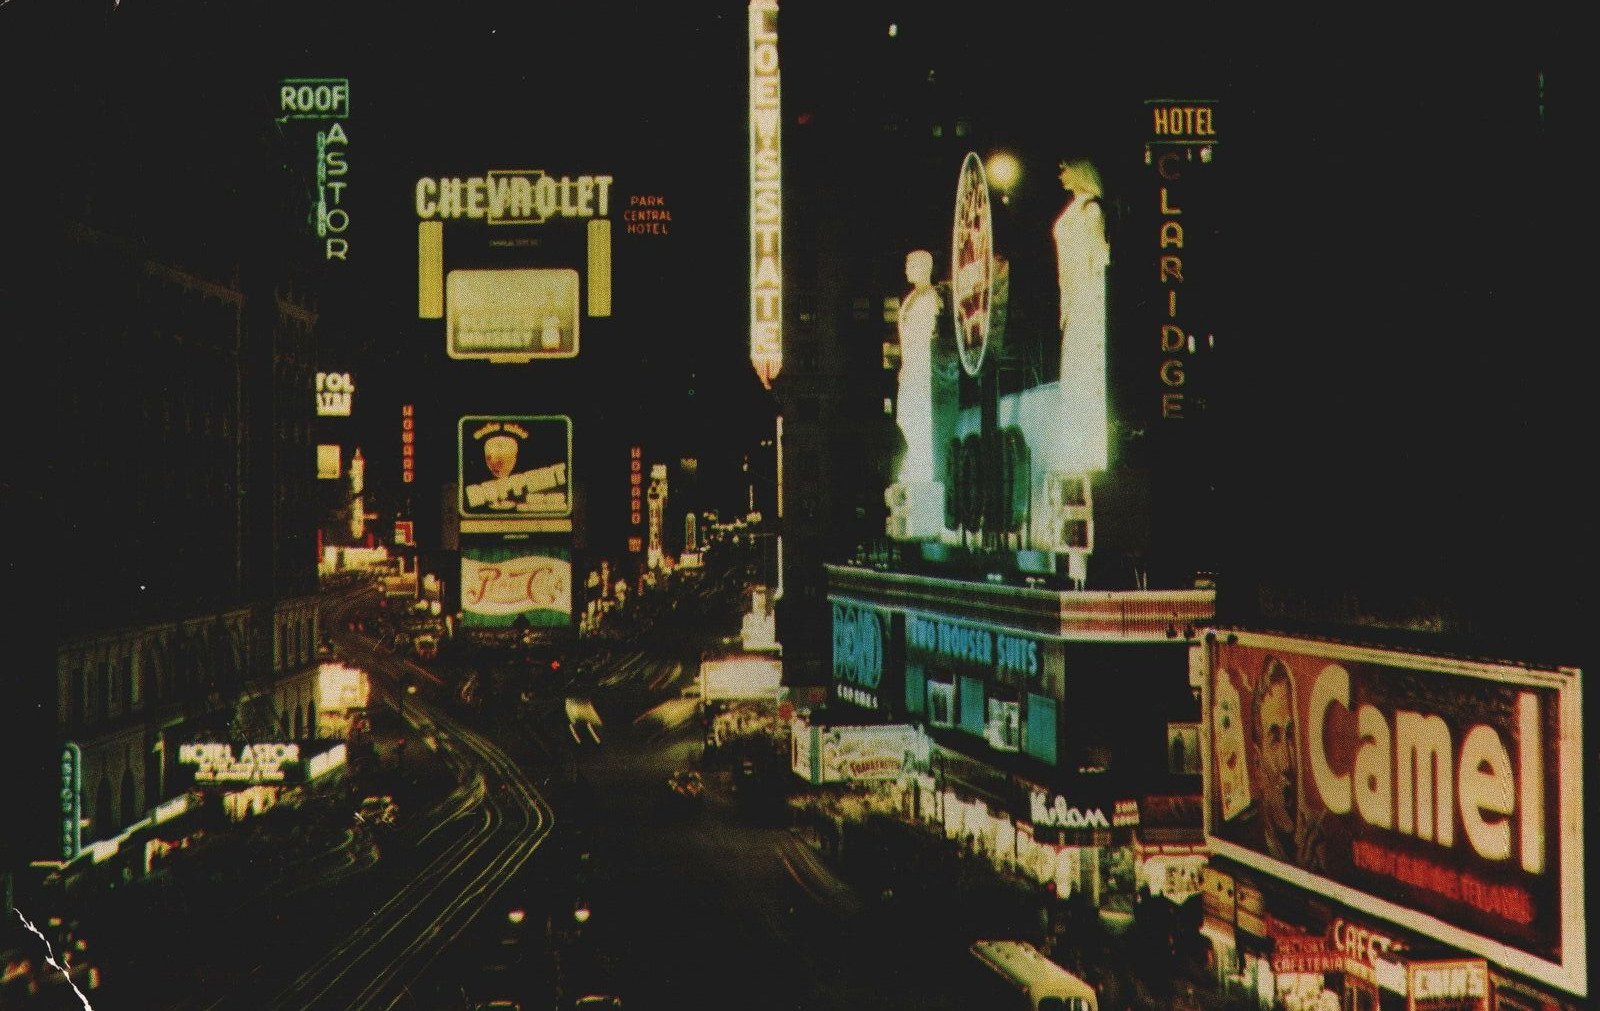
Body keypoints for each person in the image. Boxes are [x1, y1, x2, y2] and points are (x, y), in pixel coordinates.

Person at [1052, 159, 1110, 473]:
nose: (1061, 174)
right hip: (1073, 296)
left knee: (1085, 369)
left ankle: (1090, 452)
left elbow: (1099, 255)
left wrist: (1093, 297)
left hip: (1087, 295)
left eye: (1065, 168)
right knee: (1074, 370)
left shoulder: (1090, 209)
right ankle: (1076, 451)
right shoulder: (1075, 208)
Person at [1252, 655, 1324, 869]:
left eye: (1290, 735)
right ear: (1257, 763)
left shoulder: (1314, 835)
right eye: (1274, 739)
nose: (1287, 763)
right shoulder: (1248, 840)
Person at [894, 249, 942, 484]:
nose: (906, 270)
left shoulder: (931, 298)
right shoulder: (909, 299)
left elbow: (927, 337)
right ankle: (917, 459)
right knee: (905, 417)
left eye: (911, 265)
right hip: (911, 369)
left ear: (924, 268)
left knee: (920, 417)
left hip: (922, 369)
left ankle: (923, 463)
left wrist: (916, 364)